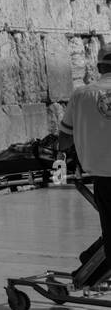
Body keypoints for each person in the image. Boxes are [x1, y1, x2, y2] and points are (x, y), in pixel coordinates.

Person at [59, 48, 111, 286]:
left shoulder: (81, 95)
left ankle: (93, 263)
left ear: (99, 67)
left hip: (103, 176)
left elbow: (65, 138)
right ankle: (92, 263)